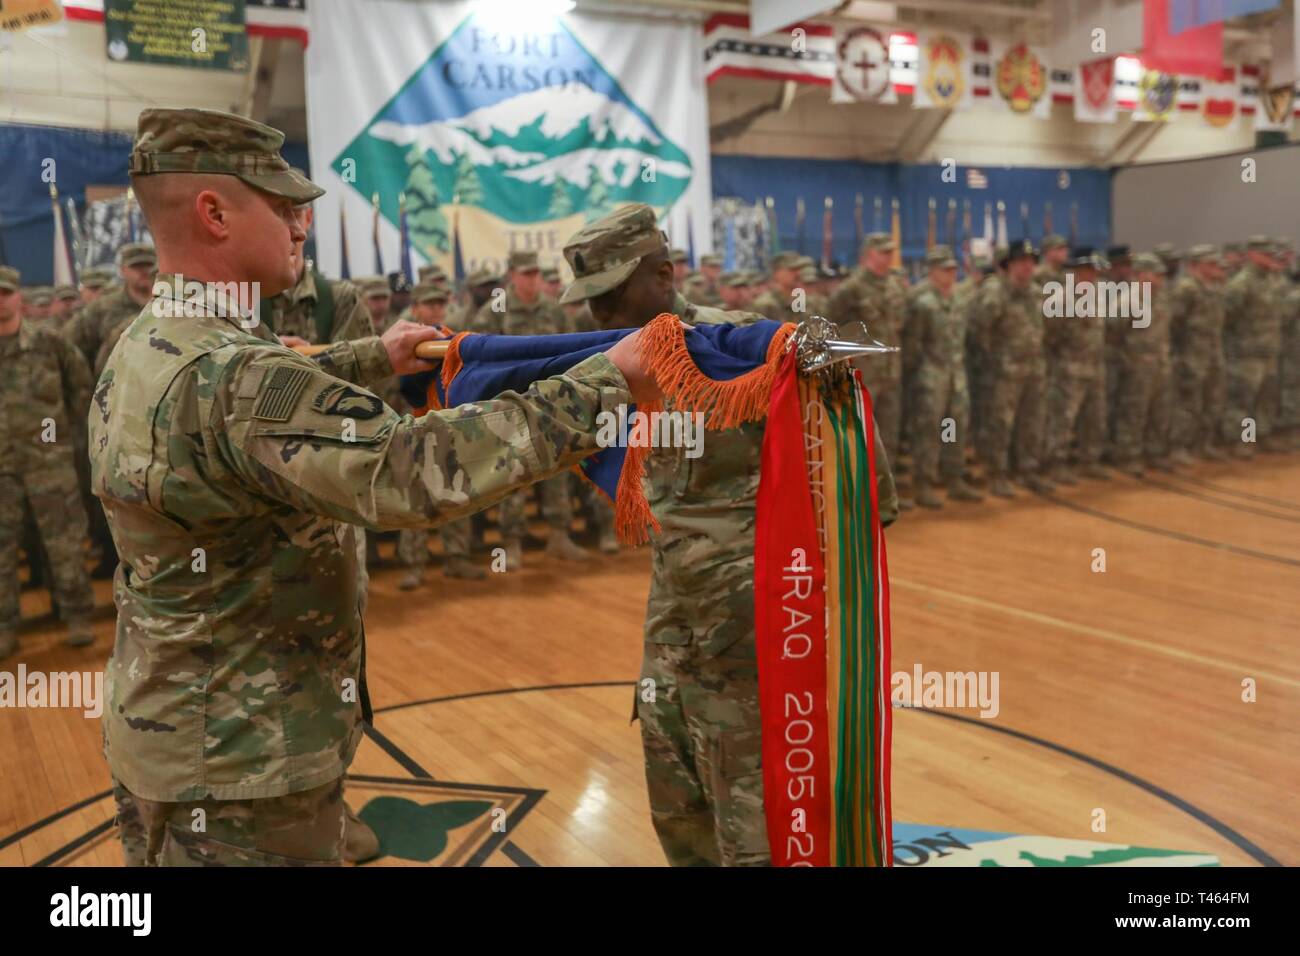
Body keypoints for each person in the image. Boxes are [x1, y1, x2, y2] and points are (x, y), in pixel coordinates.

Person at [94, 107, 658, 867]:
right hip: (243, 765)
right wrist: (604, 385)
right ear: (215, 212)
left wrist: (371, 358)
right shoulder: (235, 373)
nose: (302, 226)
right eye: (285, 207)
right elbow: (409, 473)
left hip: (169, 728)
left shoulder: (150, 343)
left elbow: (244, 423)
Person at [559, 203, 899, 866]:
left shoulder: (742, 348)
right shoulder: (615, 364)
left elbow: (855, 462)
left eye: (608, 297)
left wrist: (821, 589)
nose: (595, 316)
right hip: (673, 625)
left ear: (662, 274)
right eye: (588, 301)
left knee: (757, 819)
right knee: (677, 803)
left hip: (753, 633)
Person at [0, 265, 97, 659]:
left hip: (48, 463)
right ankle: (5, 625)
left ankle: (77, 614)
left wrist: (56, 438)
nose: (0, 301)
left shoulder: (49, 343)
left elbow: (81, 388)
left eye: (5, 293)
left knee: (65, 544)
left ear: (18, 297)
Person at [471, 250, 589, 566]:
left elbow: (573, 349)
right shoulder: (495, 310)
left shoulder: (554, 308)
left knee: (558, 469)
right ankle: (511, 543)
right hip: (511, 402)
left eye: (535, 273)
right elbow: (479, 354)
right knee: (513, 473)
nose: (531, 279)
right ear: (511, 274)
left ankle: (559, 536)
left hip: (551, 401)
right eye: (525, 273)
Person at [904, 247, 984, 507]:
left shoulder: (960, 300)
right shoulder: (922, 302)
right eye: (944, 270)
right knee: (929, 430)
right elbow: (913, 344)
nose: (950, 274)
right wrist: (917, 375)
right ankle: (924, 482)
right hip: (931, 376)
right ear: (932, 271)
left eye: (952, 269)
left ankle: (954, 478)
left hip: (956, 376)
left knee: (954, 428)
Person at [973, 240, 1052, 497]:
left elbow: (1045, 329)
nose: (1028, 266)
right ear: (1009, 265)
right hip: (1004, 371)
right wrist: (996, 359)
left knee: (1032, 421)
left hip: (1034, 368)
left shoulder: (1037, 292)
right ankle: (997, 474)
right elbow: (979, 330)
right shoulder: (995, 292)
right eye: (1022, 262)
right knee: (1000, 424)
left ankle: (1028, 469)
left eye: (1031, 262)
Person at [828, 233, 908, 485]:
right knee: (861, 432)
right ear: (868, 254)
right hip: (863, 374)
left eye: (889, 252)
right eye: (883, 252)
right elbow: (831, 326)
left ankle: (887, 486)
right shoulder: (851, 288)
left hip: (891, 370)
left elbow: (901, 325)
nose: (888, 257)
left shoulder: (895, 286)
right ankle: (859, 487)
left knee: (890, 431)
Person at [1042, 250, 1110, 484]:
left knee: (1095, 417)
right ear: (1075, 272)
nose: (1091, 275)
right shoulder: (1060, 299)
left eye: (1093, 271)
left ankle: (1089, 460)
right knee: (1063, 418)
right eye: (1086, 271)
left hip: (1095, 366)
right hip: (1068, 369)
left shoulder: (1100, 296)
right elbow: (1049, 336)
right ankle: (1055, 463)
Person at [1110, 253, 1174, 476]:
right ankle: (1128, 456)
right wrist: (1127, 360)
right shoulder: (1128, 301)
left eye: (1160, 275)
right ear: (1140, 275)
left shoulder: (1161, 298)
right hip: (1137, 365)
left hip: (1160, 363)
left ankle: (1155, 452)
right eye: (1154, 274)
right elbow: (1113, 335)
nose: (1159, 279)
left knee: (1160, 411)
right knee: (1134, 412)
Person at [1221, 236, 1283, 457]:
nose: (1270, 258)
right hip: (1246, 353)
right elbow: (1226, 319)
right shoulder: (1240, 284)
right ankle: (1242, 440)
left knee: (1265, 397)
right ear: (1253, 254)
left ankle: (1261, 435)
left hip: (1268, 351)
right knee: (1244, 399)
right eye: (1265, 254)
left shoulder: (1272, 280)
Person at [1168, 244, 1227, 462]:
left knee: (1213, 399)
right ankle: (1179, 446)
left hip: (1213, 351)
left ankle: (1204, 443)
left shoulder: (1215, 287)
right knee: (1187, 401)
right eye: (1209, 263)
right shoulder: (1186, 288)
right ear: (1195, 265)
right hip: (1191, 352)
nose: (1214, 268)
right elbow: (1174, 322)